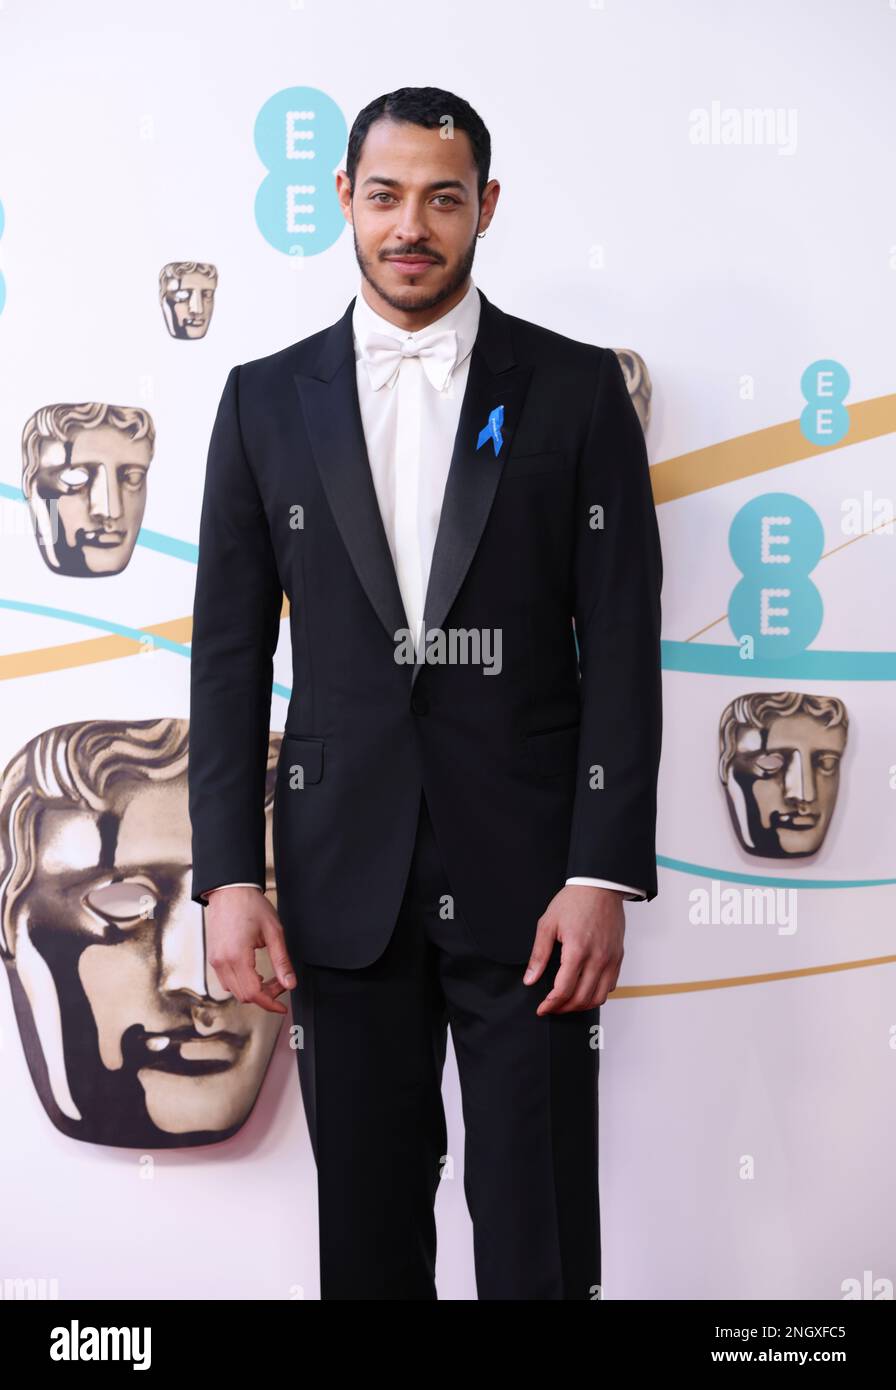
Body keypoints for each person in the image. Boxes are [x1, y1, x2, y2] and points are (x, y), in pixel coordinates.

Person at [188, 85, 663, 1301]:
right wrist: (229, 876)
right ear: (342, 200)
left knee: (538, 1240)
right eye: (387, 195)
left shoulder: (572, 391)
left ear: (484, 209)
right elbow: (229, 657)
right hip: (340, 890)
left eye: (442, 200)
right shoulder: (259, 398)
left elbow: (618, 639)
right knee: (365, 1242)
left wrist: (601, 871)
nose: (413, 225)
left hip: (536, 893)